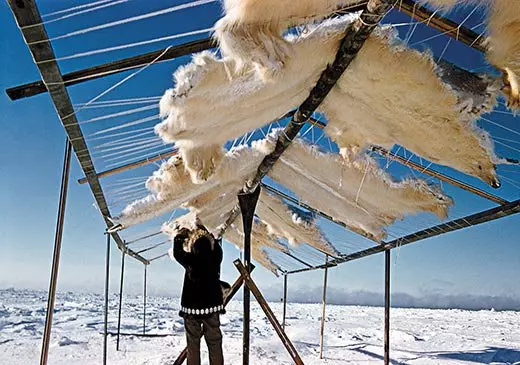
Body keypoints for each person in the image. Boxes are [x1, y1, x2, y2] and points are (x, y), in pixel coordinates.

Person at [173, 224, 225, 365]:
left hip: (191, 309)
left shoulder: (190, 260)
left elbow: (177, 253)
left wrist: (179, 237)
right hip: (212, 307)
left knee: (193, 344)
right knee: (215, 343)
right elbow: (218, 246)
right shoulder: (216, 258)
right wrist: (210, 232)